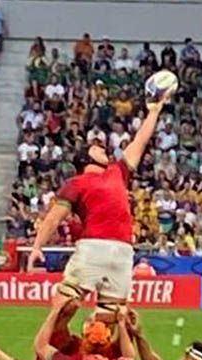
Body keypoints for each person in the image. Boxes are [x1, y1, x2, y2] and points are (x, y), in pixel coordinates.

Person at [27, 94, 170, 311]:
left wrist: (154, 111)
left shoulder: (118, 171)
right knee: (65, 304)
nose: (102, 147)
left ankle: (95, 344)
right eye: (96, 147)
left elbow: (140, 140)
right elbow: (54, 217)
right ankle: (49, 344)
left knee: (112, 313)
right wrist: (37, 247)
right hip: (93, 245)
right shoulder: (77, 183)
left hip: (123, 249)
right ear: (86, 158)